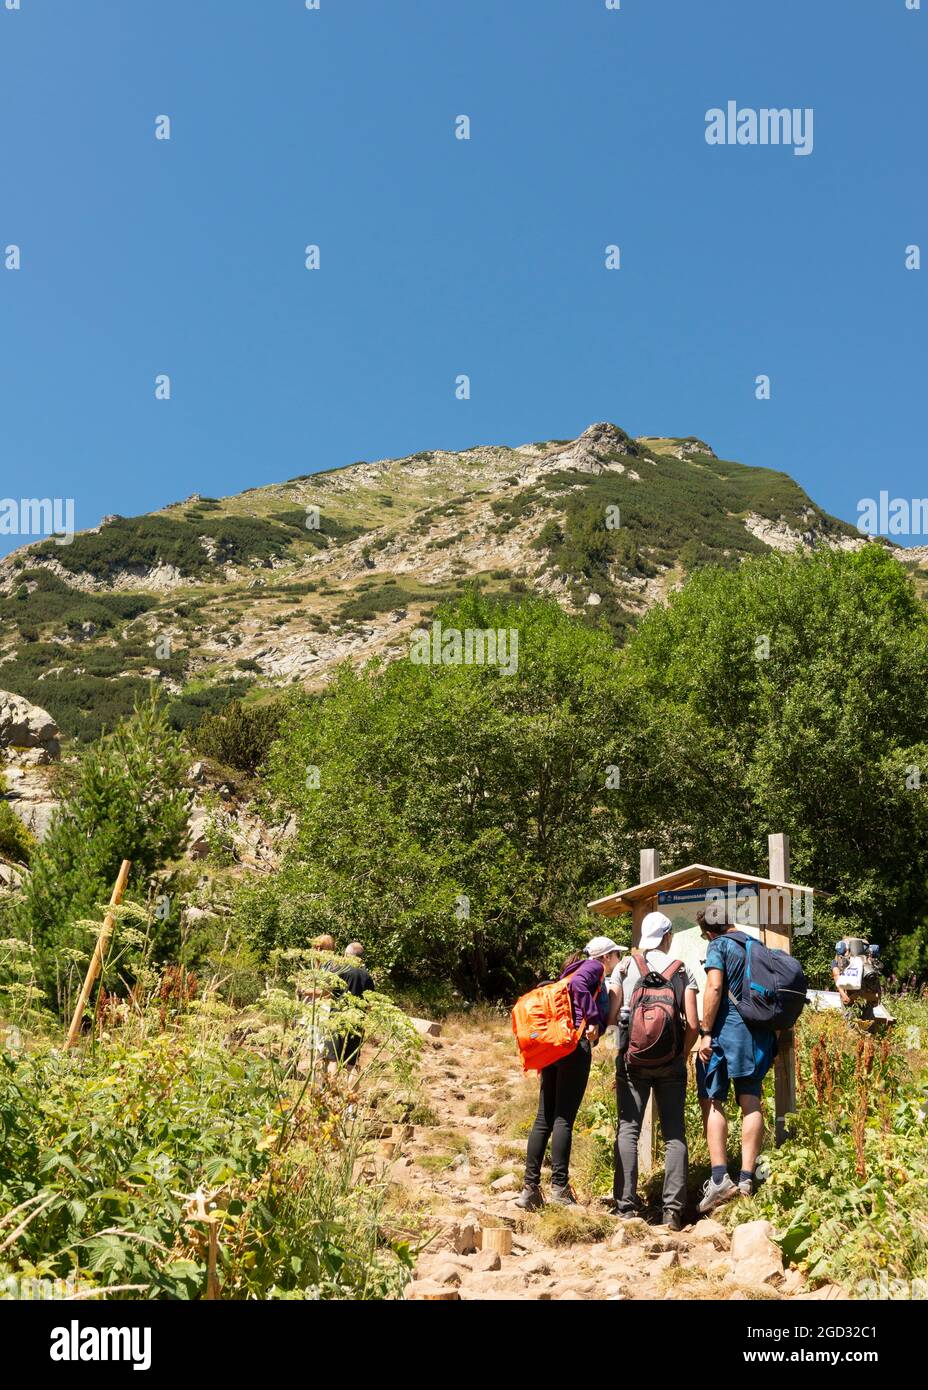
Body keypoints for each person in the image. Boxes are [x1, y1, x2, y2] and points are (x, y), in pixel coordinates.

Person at [606, 911, 699, 1231]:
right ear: (668, 936)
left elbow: (611, 1016)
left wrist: (623, 1049)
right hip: (671, 1063)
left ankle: (626, 1206)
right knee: (674, 1134)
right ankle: (673, 1211)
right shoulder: (682, 970)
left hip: (632, 1062)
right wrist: (681, 1054)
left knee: (628, 1130)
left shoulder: (625, 966)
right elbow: (695, 1024)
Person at [514, 937, 621, 1212]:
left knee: (544, 1118)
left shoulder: (570, 969)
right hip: (573, 1045)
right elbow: (577, 987)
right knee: (563, 1119)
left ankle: (530, 1189)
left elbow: (571, 986)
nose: (617, 960)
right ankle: (560, 1189)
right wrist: (594, 1021)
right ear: (606, 956)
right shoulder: (593, 968)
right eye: (615, 955)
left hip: (553, 1048)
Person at [695, 909, 776, 1212]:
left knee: (715, 1099)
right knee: (750, 1101)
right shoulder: (755, 944)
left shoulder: (718, 945)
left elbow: (715, 986)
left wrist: (705, 1031)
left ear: (709, 932)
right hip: (757, 1034)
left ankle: (719, 1180)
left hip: (726, 1033)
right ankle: (746, 1179)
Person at [324, 943, 376, 1071]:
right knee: (351, 1064)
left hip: (338, 1020)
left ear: (347, 955)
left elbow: (326, 993)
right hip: (358, 1022)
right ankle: (351, 1091)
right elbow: (370, 1004)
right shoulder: (367, 976)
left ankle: (332, 1091)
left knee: (333, 1059)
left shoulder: (340, 970)